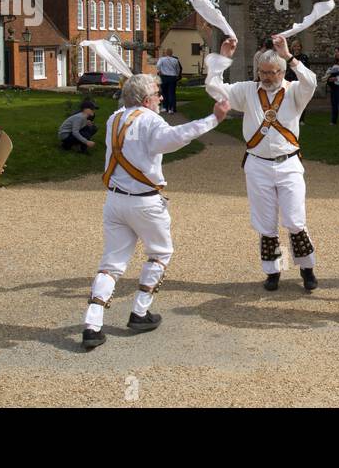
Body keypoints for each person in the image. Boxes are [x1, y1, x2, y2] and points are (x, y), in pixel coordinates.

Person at [81, 74, 232, 350]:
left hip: (114, 201)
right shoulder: (151, 121)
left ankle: (92, 325)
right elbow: (177, 137)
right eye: (157, 94)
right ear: (146, 100)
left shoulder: (114, 119)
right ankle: (140, 312)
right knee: (160, 253)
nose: (161, 98)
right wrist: (214, 119)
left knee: (111, 264)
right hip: (145, 203)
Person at [206, 34, 321, 291]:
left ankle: (306, 268)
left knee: (295, 221)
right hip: (257, 164)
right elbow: (214, 89)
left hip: (289, 163)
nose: (267, 77)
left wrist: (289, 56)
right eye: (263, 72)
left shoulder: (295, 91)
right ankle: (274, 271)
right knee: (266, 223)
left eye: (272, 72)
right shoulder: (247, 90)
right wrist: (223, 59)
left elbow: (311, 81)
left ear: (282, 71)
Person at [155, 49, 182, 114]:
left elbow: (158, 66)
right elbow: (178, 69)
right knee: (172, 93)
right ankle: (171, 108)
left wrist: (160, 71)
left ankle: (165, 107)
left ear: (166, 53)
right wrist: (177, 75)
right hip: (172, 77)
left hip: (164, 77)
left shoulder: (162, 59)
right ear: (171, 53)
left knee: (164, 93)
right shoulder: (175, 60)